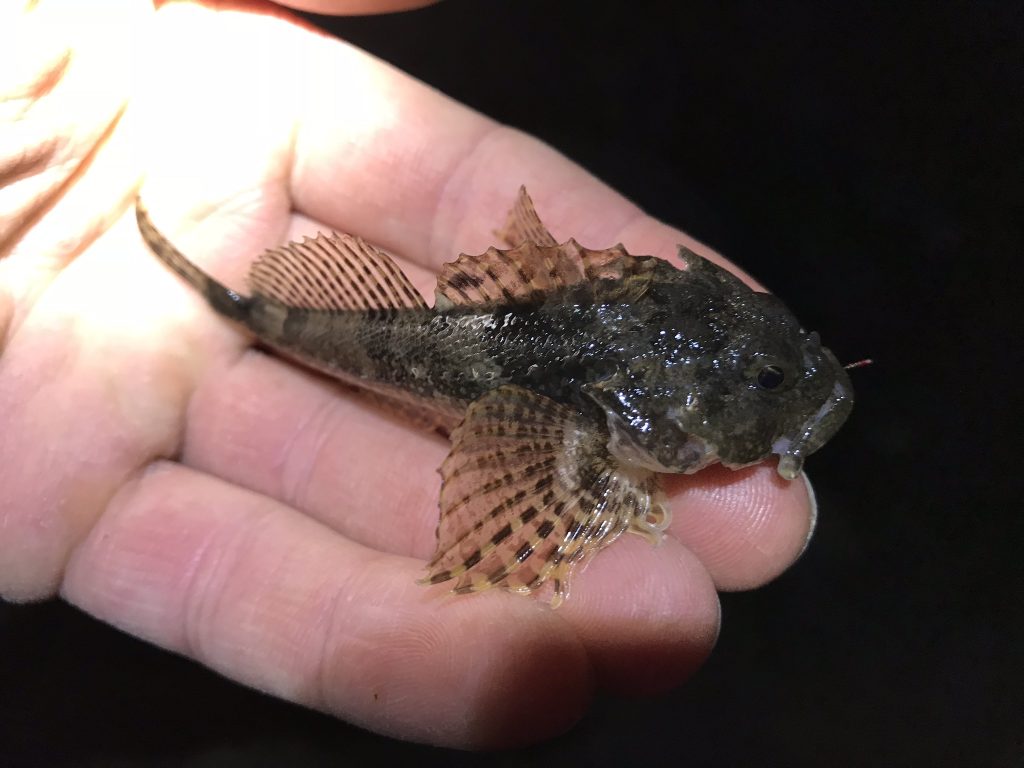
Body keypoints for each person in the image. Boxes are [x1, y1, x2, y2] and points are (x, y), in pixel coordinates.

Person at [0, 0, 815, 749]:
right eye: (772, 386)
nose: (799, 394)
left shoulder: (637, 364)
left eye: (779, 373)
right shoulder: (602, 400)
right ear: (645, 407)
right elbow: (520, 454)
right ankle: (233, 302)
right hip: (388, 330)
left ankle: (231, 299)